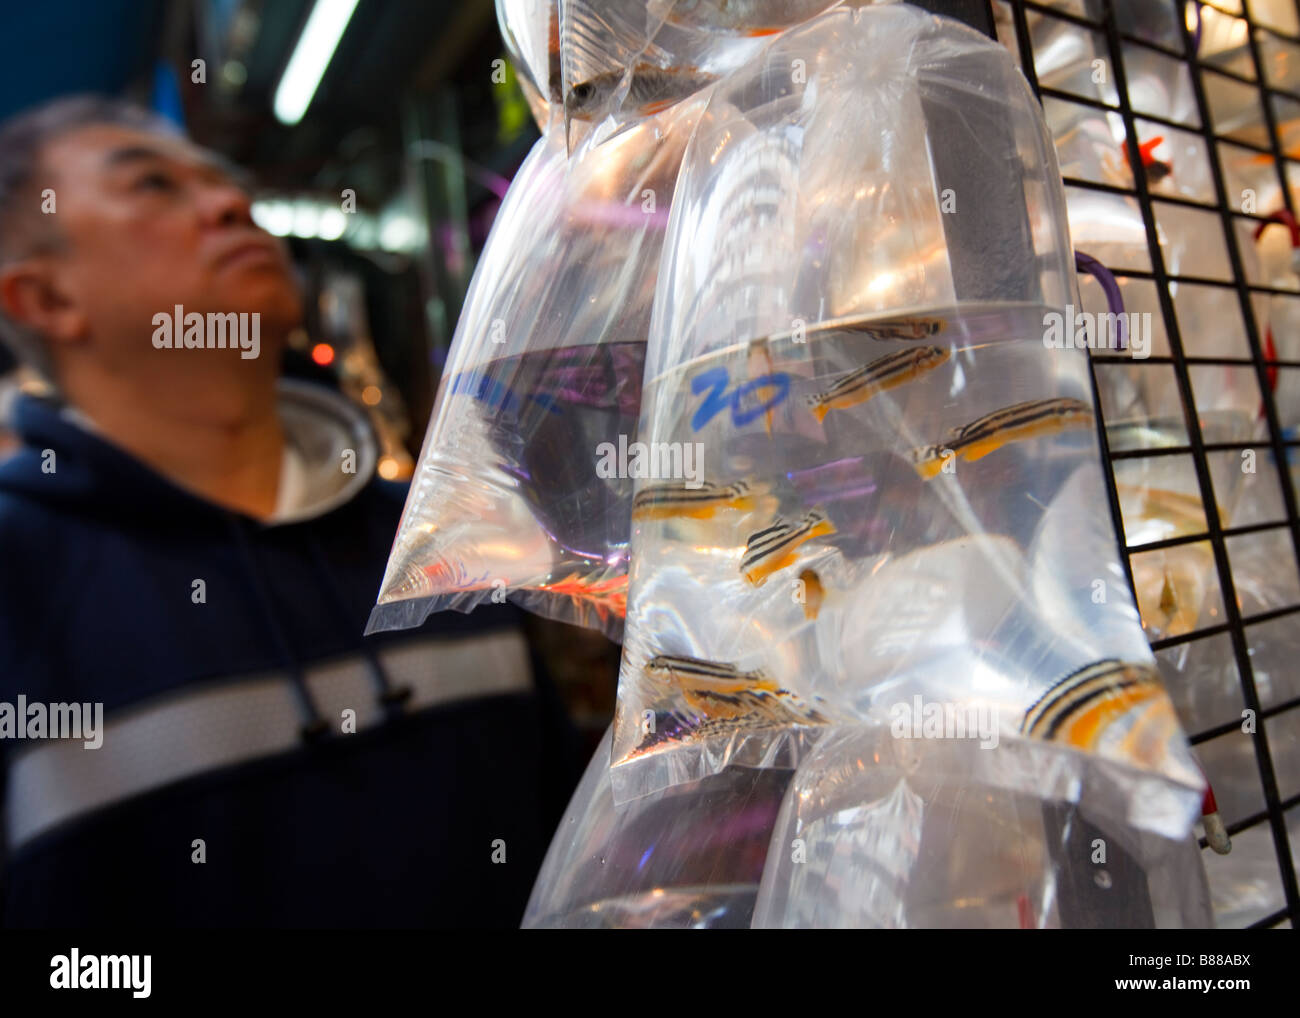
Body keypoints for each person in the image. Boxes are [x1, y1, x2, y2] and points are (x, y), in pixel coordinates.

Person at [0, 95, 580, 927]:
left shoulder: (433, 543)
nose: (234, 205)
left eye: (227, 183)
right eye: (155, 186)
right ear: (46, 300)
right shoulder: (21, 591)